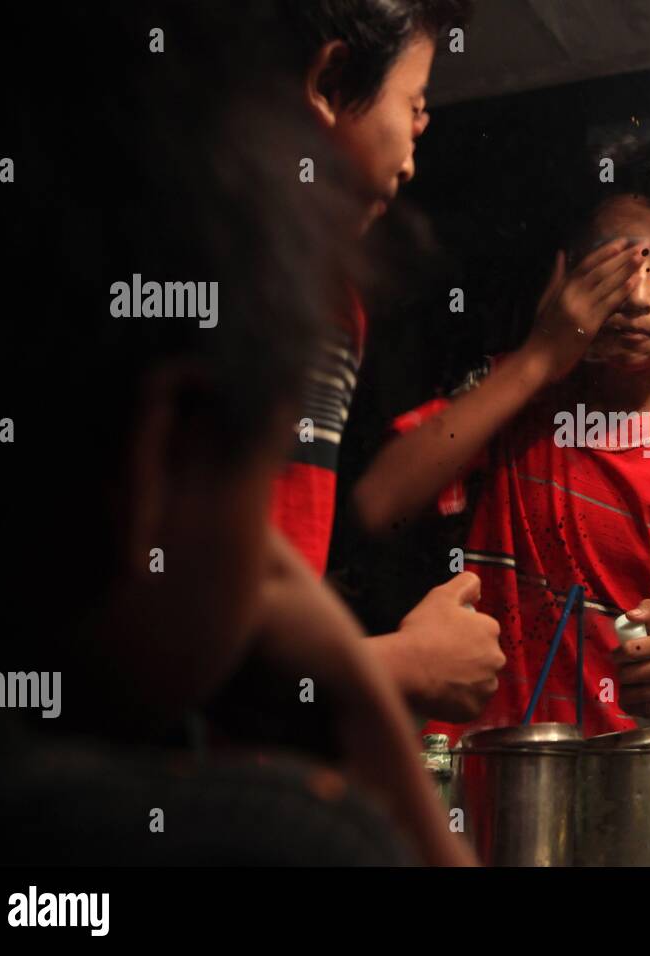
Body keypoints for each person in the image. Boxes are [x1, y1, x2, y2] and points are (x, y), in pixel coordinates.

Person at [0, 0, 470, 866]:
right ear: (162, 458)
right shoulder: (272, 835)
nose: (421, 131)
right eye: (414, 99)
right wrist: (374, 685)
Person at [353, 136, 650, 847]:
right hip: (487, 794)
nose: (635, 296)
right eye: (613, 263)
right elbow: (378, 501)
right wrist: (544, 355)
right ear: (565, 272)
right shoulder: (504, 396)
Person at [262, 0, 506, 723]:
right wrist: (401, 664)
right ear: (333, 83)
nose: (423, 125)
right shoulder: (289, 288)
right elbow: (190, 639)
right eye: (416, 99)